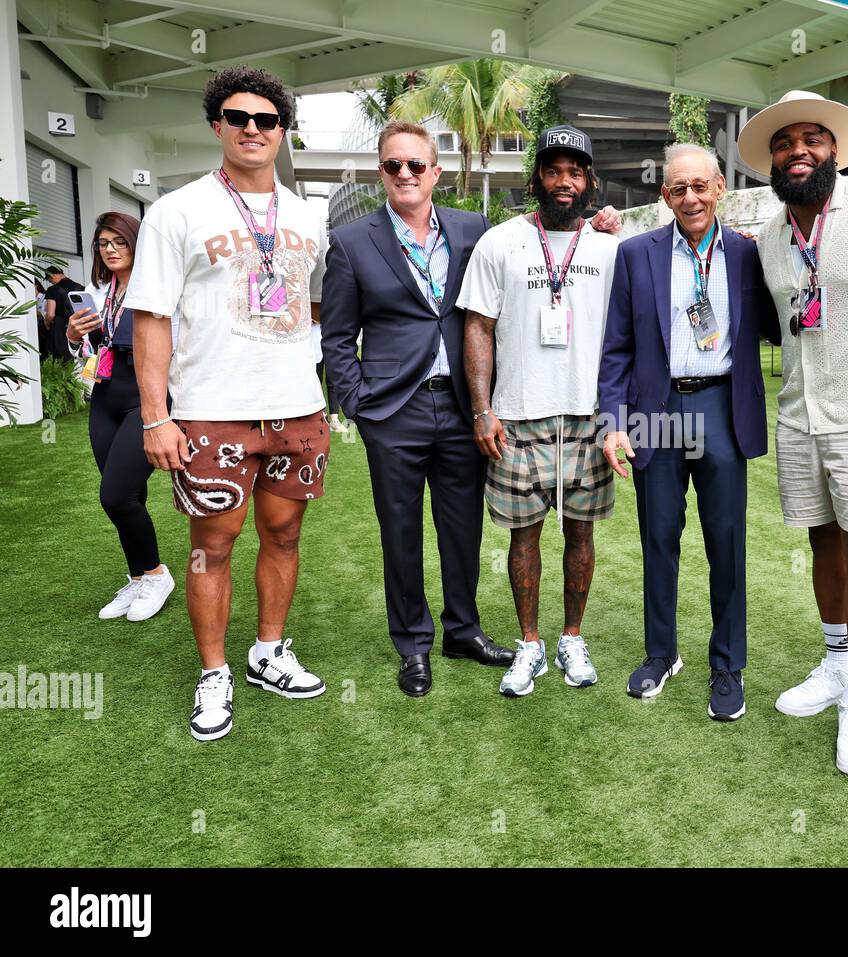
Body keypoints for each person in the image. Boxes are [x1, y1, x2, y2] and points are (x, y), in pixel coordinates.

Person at [126, 66, 331, 742]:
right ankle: (214, 671)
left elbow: (314, 305)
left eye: (266, 120)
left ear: (281, 132)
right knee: (213, 545)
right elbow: (152, 319)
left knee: (285, 534)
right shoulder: (177, 212)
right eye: (238, 118)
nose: (252, 129)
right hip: (212, 409)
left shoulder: (307, 217)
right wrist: (157, 415)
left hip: (297, 408)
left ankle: (268, 650)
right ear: (217, 126)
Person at [736, 91, 848, 773]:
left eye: (812, 139)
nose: (799, 150)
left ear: (834, 150)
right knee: (823, 542)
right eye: (785, 143)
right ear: (773, 161)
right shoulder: (770, 237)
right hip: (799, 416)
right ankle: (837, 665)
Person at [321, 120, 518, 694]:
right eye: (392, 166)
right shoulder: (353, 242)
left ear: (435, 172)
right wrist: (358, 403)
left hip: (461, 408)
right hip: (393, 412)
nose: (404, 174)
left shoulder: (474, 229)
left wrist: (594, 224)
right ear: (381, 173)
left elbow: (506, 290)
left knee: (462, 529)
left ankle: (463, 628)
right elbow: (337, 336)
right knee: (400, 531)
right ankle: (412, 643)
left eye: (415, 165)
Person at [599, 143, 777, 721]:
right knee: (658, 538)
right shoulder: (635, 254)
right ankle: (661, 654)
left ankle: (727, 666)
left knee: (726, 543)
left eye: (700, 186)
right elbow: (617, 347)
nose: (691, 198)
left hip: (723, 407)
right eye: (679, 189)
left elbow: (778, 326)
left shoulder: (749, 255)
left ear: (720, 187)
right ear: (664, 195)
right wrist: (613, 422)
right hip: (658, 410)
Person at [460, 125, 620, 698]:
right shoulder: (500, 242)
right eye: (553, 171)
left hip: (587, 418)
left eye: (575, 172)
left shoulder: (610, 247)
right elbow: (477, 326)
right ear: (536, 179)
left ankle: (571, 637)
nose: (563, 181)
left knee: (581, 535)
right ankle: (529, 642)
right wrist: (483, 409)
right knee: (522, 538)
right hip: (517, 416)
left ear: (590, 182)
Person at [62, 212, 176, 621]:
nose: (110, 250)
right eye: (103, 244)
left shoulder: (160, 289)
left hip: (147, 396)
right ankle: (138, 576)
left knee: (116, 494)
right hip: (106, 394)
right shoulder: (97, 290)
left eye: (119, 242)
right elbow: (88, 352)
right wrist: (74, 336)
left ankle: (156, 573)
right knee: (128, 497)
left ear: (136, 244)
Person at [42, 267, 83, 360]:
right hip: (77, 328)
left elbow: (50, 314)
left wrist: (47, 325)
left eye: (49, 280)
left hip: (59, 329)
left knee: (59, 358)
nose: (50, 282)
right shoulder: (80, 287)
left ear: (51, 276)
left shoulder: (52, 289)